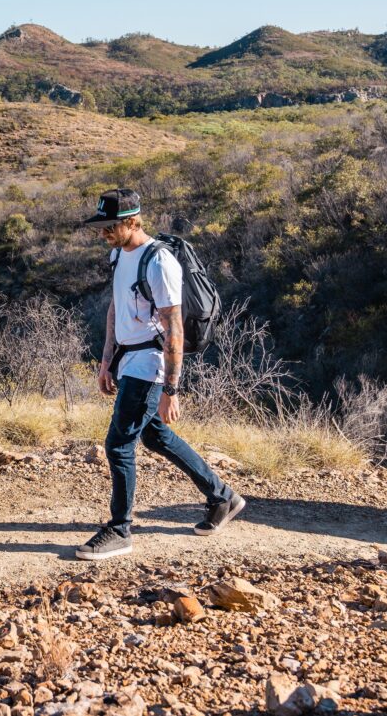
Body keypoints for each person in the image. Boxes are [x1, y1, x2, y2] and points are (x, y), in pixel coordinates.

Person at [75, 188, 245, 560]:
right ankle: (223, 497)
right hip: (127, 359)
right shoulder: (118, 254)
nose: (103, 233)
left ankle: (120, 530)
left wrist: (172, 387)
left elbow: (174, 329)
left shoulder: (160, 262)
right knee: (153, 435)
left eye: (110, 226)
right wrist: (105, 361)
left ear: (133, 221)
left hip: (150, 364)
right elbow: (115, 309)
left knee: (118, 445)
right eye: (100, 226)